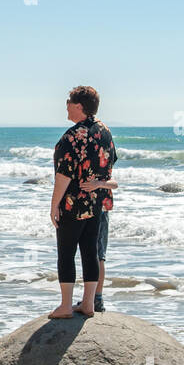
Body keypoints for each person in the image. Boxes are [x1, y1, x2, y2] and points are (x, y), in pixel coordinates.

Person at [49, 85, 119, 318]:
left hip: (73, 202)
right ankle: (88, 303)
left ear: (79, 106)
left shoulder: (73, 135)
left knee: (66, 252)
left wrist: (54, 205)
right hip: (97, 204)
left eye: (69, 102)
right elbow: (109, 166)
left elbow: (64, 174)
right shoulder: (105, 132)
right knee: (90, 251)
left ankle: (66, 306)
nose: (66, 106)